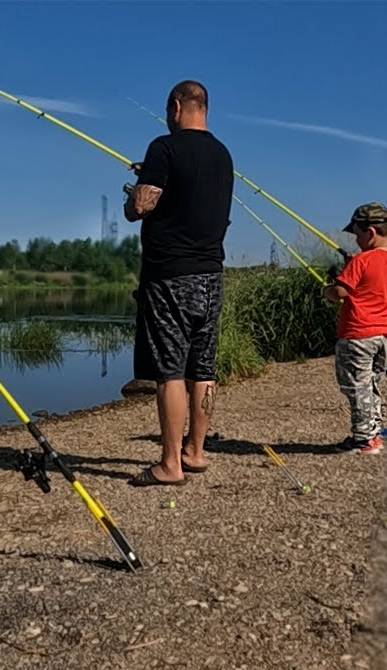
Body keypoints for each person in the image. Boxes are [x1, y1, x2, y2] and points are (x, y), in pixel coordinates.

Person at [122, 79, 234, 487]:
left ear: (175, 106)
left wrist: (135, 193)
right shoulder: (223, 155)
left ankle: (170, 464)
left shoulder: (163, 147)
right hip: (211, 275)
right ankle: (195, 452)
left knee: (169, 371)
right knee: (202, 367)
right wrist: (155, 175)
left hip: (170, 274)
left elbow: (141, 205)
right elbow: (188, 193)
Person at [321, 202, 387, 455]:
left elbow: (340, 292)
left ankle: (364, 440)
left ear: (371, 232)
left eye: (357, 234)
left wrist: (326, 290)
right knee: (371, 385)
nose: (356, 240)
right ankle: (373, 434)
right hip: (382, 335)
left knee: (356, 387)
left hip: (357, 335)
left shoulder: (361, 260)